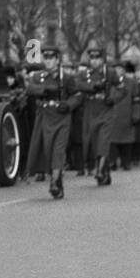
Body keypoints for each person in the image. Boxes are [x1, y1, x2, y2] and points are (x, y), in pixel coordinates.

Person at [24, 46, 82, 199]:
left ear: (57, 60)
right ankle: (57, 179)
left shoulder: (66, 78)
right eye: (46, 58)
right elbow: (29, 89)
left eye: (51, 58)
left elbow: (77, 95)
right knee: (48, 150)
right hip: (45, 116)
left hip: (62, 116)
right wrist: (44, 90)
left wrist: (68, 105)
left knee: (59, 149)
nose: (48, 61)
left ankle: (54, 182)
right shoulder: (38, 76)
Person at [75, 47, 116, 186]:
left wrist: (113, 98)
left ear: (102, 59)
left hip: (106, 109)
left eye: (97, 58)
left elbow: (122, 88)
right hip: (91, 109)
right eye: (92, 58)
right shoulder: (83, 74)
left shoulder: (109, 72)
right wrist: (94, 86)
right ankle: (105, 171)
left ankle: (99, 170)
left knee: (103, 140)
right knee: (94, 141)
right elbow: (78, 85)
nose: (94, 61)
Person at [107, 60, 138, 171]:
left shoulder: (131, 82)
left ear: (124, 70)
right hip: (112, 115)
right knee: (112, 141)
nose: (118, 71)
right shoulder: (108, 82)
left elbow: (136, 100)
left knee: (127, 142)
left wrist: (135, 114)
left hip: (126, 114)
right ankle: (112, 162)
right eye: (115, 69)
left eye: (120, 69)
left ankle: (126, 163)